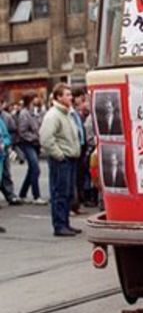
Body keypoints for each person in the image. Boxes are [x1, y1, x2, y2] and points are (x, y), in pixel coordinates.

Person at [38, 84, 81, 237]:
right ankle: (59, 225)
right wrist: (59, 155)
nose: (71, 97)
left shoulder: (67, 113)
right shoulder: (53, 115)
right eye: (67, 95)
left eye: (70, 94)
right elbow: (46, 138)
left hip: (70, 158)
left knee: (67, 193)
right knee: (60, 193)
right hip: (62, 160)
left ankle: (65, 223)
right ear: (59, 97)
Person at [16, 92, 45, 205]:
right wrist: (35, 137)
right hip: (27, 143)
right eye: (35, 98)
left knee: (32, 170)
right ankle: (36, 195)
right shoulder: (24, 114)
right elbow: (22, 131)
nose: (38, 100)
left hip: (35, 144)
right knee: (35, 168)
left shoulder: (35, 112)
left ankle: (22, 194)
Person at [0, 99, 21, 205]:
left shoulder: (5, 118)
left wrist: (6, 143)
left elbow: (8, 134)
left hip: (2, 153)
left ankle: (10, 195)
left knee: (5, 174)